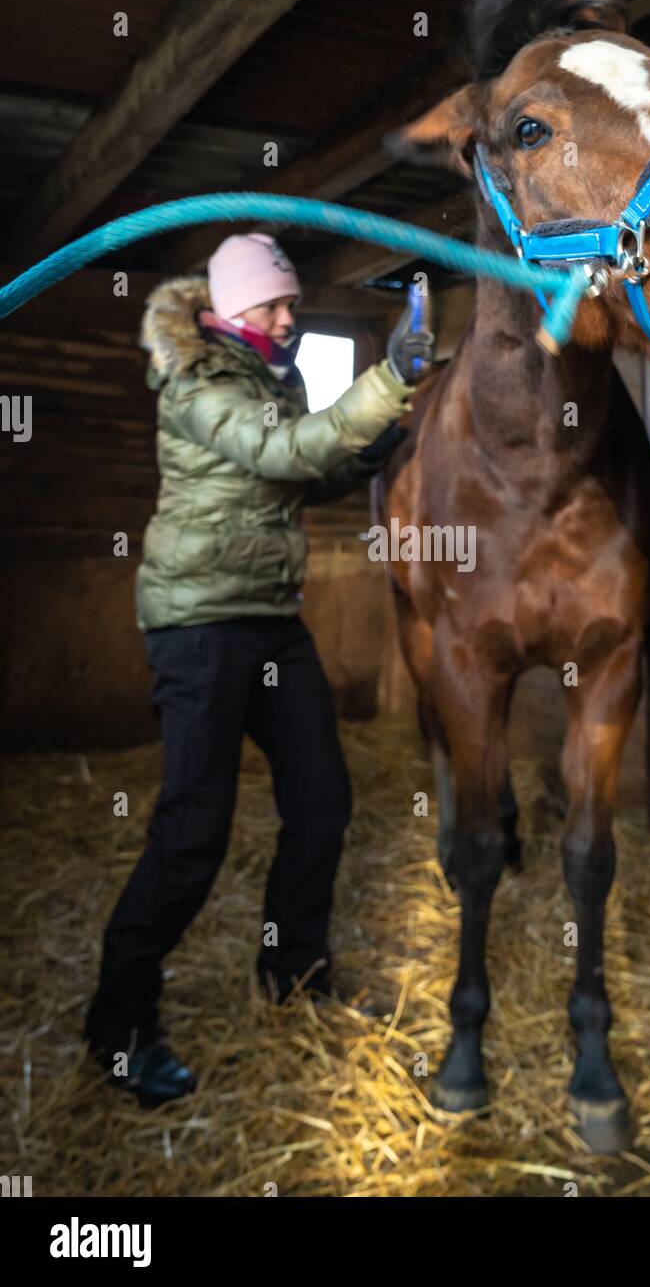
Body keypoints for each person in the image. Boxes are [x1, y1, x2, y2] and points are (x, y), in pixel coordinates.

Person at [83, 232, 438, 1108]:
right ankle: (118, 1026)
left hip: (271, 622)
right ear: (226, 310)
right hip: (199, 624)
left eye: (290, 305)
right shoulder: (198, 379)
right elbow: (276, 452)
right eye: (273, 307)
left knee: (321, 803)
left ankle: (293, 973)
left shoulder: (269, 376)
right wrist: (385, 380)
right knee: (193, 832)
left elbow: (290, 477)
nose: (287, 319)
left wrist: (365, 449)